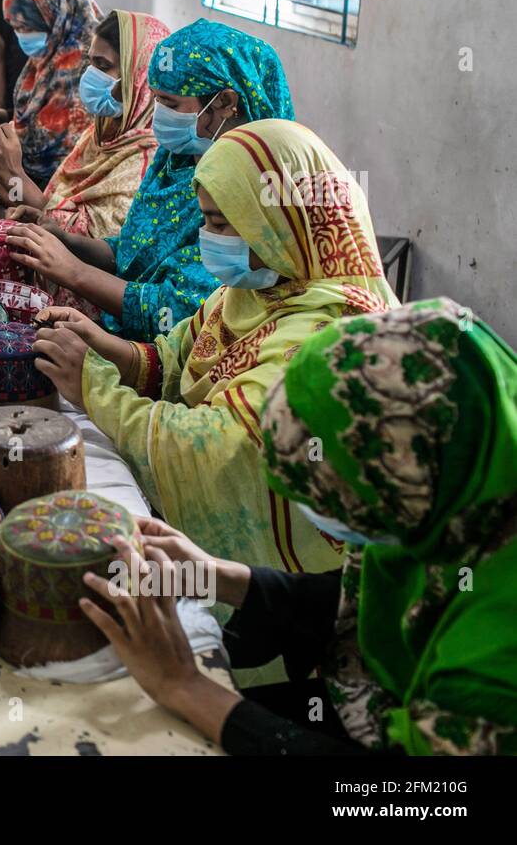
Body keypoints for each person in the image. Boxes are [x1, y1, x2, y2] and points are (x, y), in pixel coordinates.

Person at [76, 299, 517, 755]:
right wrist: (217, 575)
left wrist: (188, 688)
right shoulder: (458, 493)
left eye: (336, 499)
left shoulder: (491, 668)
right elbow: (365, 597)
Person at [33, 119, 398, 574]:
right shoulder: (254, 289)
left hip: (292, 584)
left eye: (221, 223)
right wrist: (101, 344)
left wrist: (95, 385)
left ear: (276, 222)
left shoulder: (329, 336)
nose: (208, 236)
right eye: (206, 219)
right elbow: (174, 359)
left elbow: (213, 449)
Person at [6, 19, 292, 342]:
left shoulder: (250, 187)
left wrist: (73, 271)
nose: (157, 114)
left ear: (225, 103)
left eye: (170, 103)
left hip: (182, 351)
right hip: (136, 345)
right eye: (155, 99)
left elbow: (179, 312)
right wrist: (68, 240)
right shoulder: (176, 159)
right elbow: (133, 249)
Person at [0, 10, 167, 241]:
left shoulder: (148, 162)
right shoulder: (101, 134)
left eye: (103, 65)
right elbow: (43, 206)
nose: (91, 75)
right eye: (91, 63)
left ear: (138, 78)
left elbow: (85, 246)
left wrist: (14, 175)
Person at [0, 0, 102, 191]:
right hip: (28, 182)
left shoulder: (88, 66)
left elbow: (60, 152)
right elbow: (36, 119)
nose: (21, 36)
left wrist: (3, 144)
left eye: (25, 27)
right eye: (15, 28)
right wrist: (2, 118)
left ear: (54, 17)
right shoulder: (47, 53)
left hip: (63, 190)